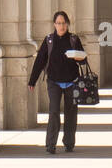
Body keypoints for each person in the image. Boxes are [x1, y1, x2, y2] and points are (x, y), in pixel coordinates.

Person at [28, 11, 86, 153]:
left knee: (70, 113)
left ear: (67, 24)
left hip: (72, 81)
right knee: (54, 112)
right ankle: (50, 144)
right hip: (54, 81)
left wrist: (78, 57)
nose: (61, 26)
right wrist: (32, 80)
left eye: (64, 23)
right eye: (59, 23)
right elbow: (40, 60)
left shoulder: (73, 39)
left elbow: (84, 59)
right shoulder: (49, 40)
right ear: (54, 25)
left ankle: (69, 142)